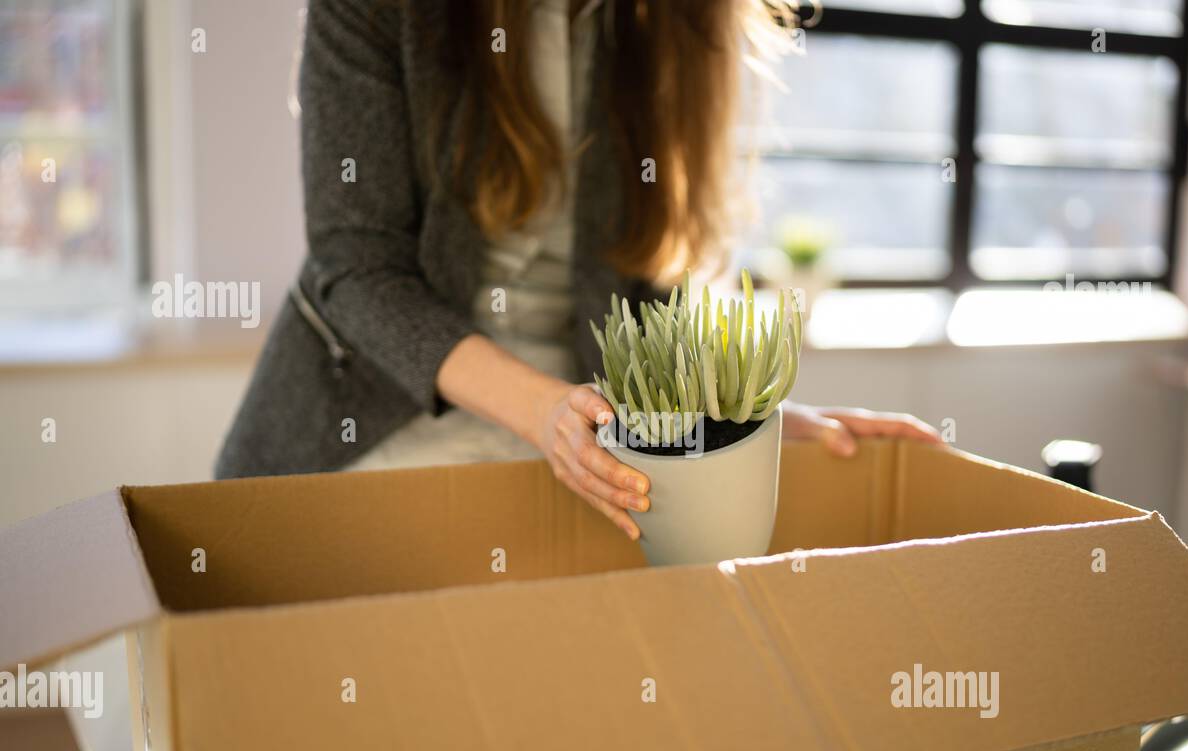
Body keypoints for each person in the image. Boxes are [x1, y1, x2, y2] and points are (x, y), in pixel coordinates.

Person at [216, 0, 941, 539]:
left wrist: (741, 421)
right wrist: (546, 412)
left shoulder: (673, 23)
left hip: (587, 437)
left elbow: (649, 285)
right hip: (373, 429)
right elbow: (355, 267)